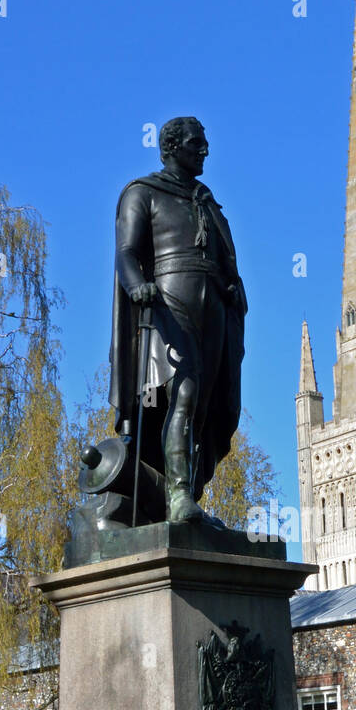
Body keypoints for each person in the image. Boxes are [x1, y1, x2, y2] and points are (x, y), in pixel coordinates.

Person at [108, 116, 246, 523]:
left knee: (207, 406)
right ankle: (179, 495)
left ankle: (187, 496)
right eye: (195, 143)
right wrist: (136, 286)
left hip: (215, 308)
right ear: (170, 147)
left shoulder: (205, 200)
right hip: (170, 305)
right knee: (182, 394)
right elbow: (127, 253)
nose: (204, 150)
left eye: (204, 143)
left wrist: (232, 287)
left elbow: (225, 258)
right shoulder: (143, 193)